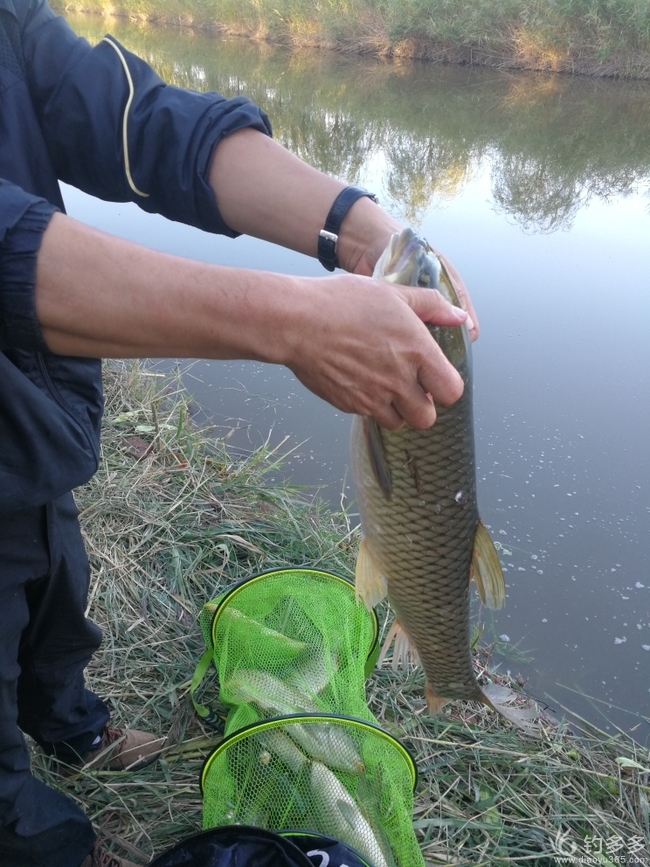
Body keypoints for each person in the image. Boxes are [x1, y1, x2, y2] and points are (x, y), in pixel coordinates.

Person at [0, 1, 479, 865]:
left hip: (26, 413)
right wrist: (290, 321)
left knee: (47, 580)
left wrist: (356, 229)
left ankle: (69, 720)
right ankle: (49, 844)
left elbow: (137, 122)